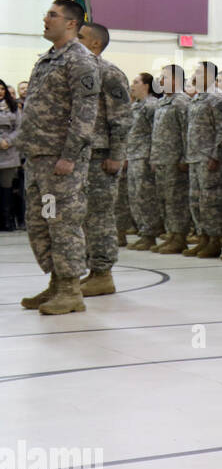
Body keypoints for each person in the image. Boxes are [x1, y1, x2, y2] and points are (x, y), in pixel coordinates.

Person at [16, 0, 99, 315]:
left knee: (62, 223)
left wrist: (70, 156)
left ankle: (70, 291)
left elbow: (85, 112)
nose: (45, 19)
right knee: (40, 224)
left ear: (71, 23)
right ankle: (56, 284)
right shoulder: (48, 59)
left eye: (52, 15)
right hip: (38, 159)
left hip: (60, 163)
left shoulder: (80, 60)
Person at [75, 21, 132, 294]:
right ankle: (92, 269)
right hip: (80, 156)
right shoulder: (77, 71)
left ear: (95, 43)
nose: (75, 40)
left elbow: (121, 119)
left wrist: (117, 155)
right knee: (84, 216)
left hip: (101, 156)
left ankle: (103, 273)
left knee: (99, 216)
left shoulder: (109, 73)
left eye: (81, 37)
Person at [183, 61, 222, 259]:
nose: (195, 75)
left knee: (210, 200)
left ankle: (214, 240)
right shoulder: (196, 99)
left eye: (199, 72)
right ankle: (202, 237)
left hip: (208, 157)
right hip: (194, 156)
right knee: (196, 201)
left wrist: (215, 155)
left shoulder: (217, 99)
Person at [150, 65, 191, 254]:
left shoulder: (181, 102)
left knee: (177, 199)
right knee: (165, 199)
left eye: (164, 77)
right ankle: (171, 233)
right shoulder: (163, 102)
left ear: (176, 79)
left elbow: (186, 131)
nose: (160, 81)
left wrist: (184, 157)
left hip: (175, 159)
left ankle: (180, 236)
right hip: (162, 158)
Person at [124, 73, 162, 251]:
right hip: (133, 155)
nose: (133, 85)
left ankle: (150, 234)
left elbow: (158, 133)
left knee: (145, 196)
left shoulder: (151, 105)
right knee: (135, 196)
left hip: (145, 156)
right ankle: (143, 230)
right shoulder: (136, 106)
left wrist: (154, 156)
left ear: (146, 85)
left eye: (136, 82)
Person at [0, 80, 23, 232]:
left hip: (9, 152)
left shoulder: (14, 108)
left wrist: (8, 141)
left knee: (6, 188)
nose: (0, 91)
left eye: (2, 89)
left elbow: (20, 128)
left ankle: (6, 220)